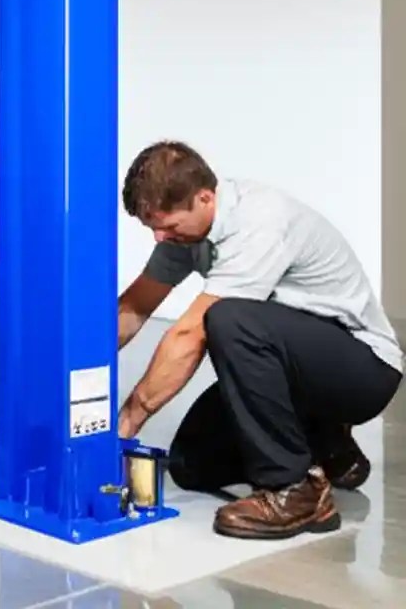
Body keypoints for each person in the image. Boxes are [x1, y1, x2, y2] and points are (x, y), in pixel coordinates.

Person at [115, 141, 401, 540]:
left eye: (168, 225)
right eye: (153, 228)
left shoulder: (259, 222)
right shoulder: (186, 237)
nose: (160, 238)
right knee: (190, 465)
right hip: (302, 368)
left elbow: (188, 334)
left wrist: (126, 421)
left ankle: (295, 490)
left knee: (229, 319)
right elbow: (136, 306)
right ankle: (324, 444)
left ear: (204, 197)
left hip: (364, 369)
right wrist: (77, 375)